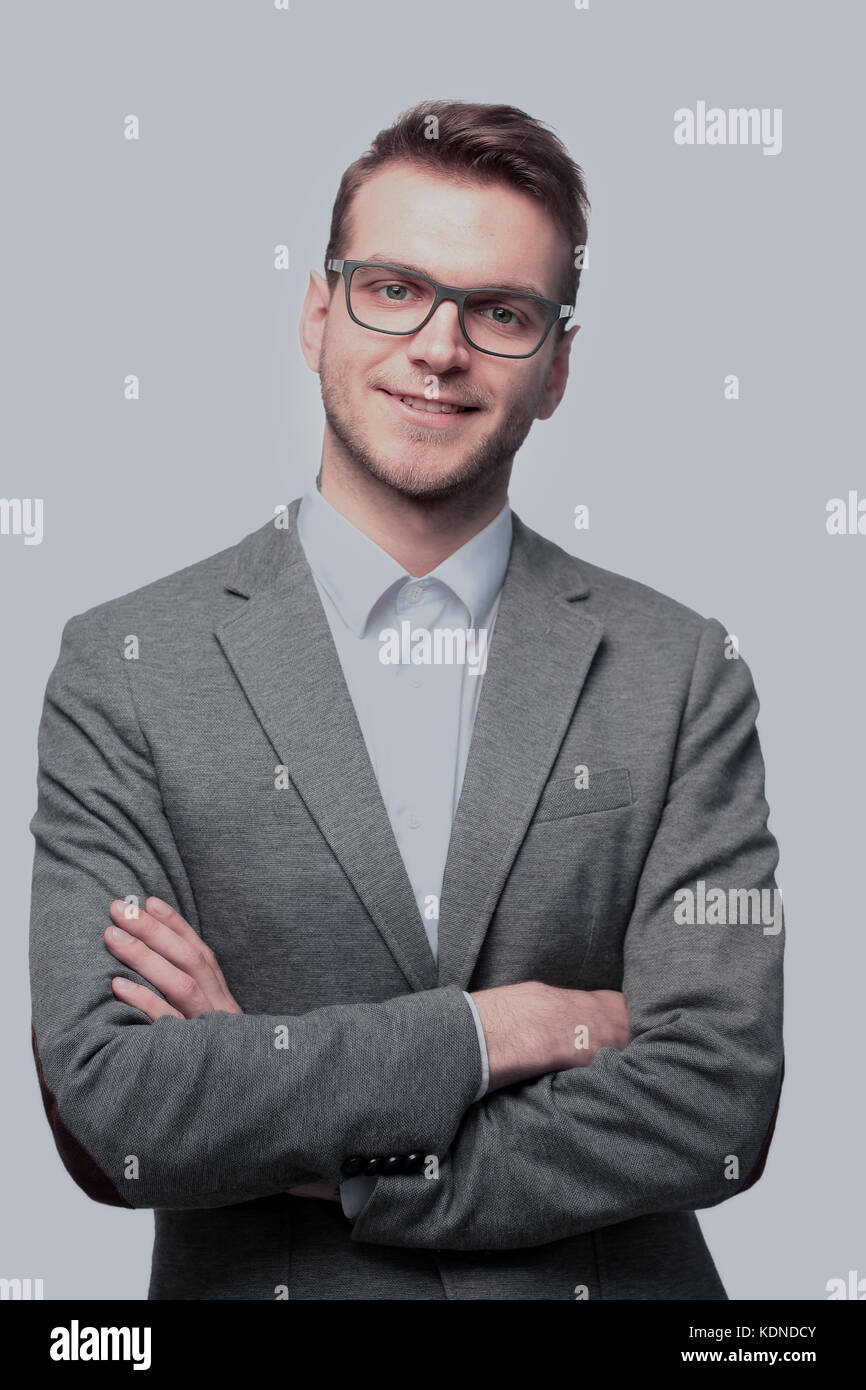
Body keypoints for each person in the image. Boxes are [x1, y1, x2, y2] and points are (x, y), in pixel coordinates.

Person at [28, 100, 784, 1301]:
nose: (439, 346)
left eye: (499, 312)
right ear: (317, 312)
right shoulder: (124, 661)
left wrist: (317, 1143)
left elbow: (715, 1100)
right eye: (393, 287)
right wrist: (506, 1029)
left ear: (555, 368)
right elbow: (115, 1106)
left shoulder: (681, 667)